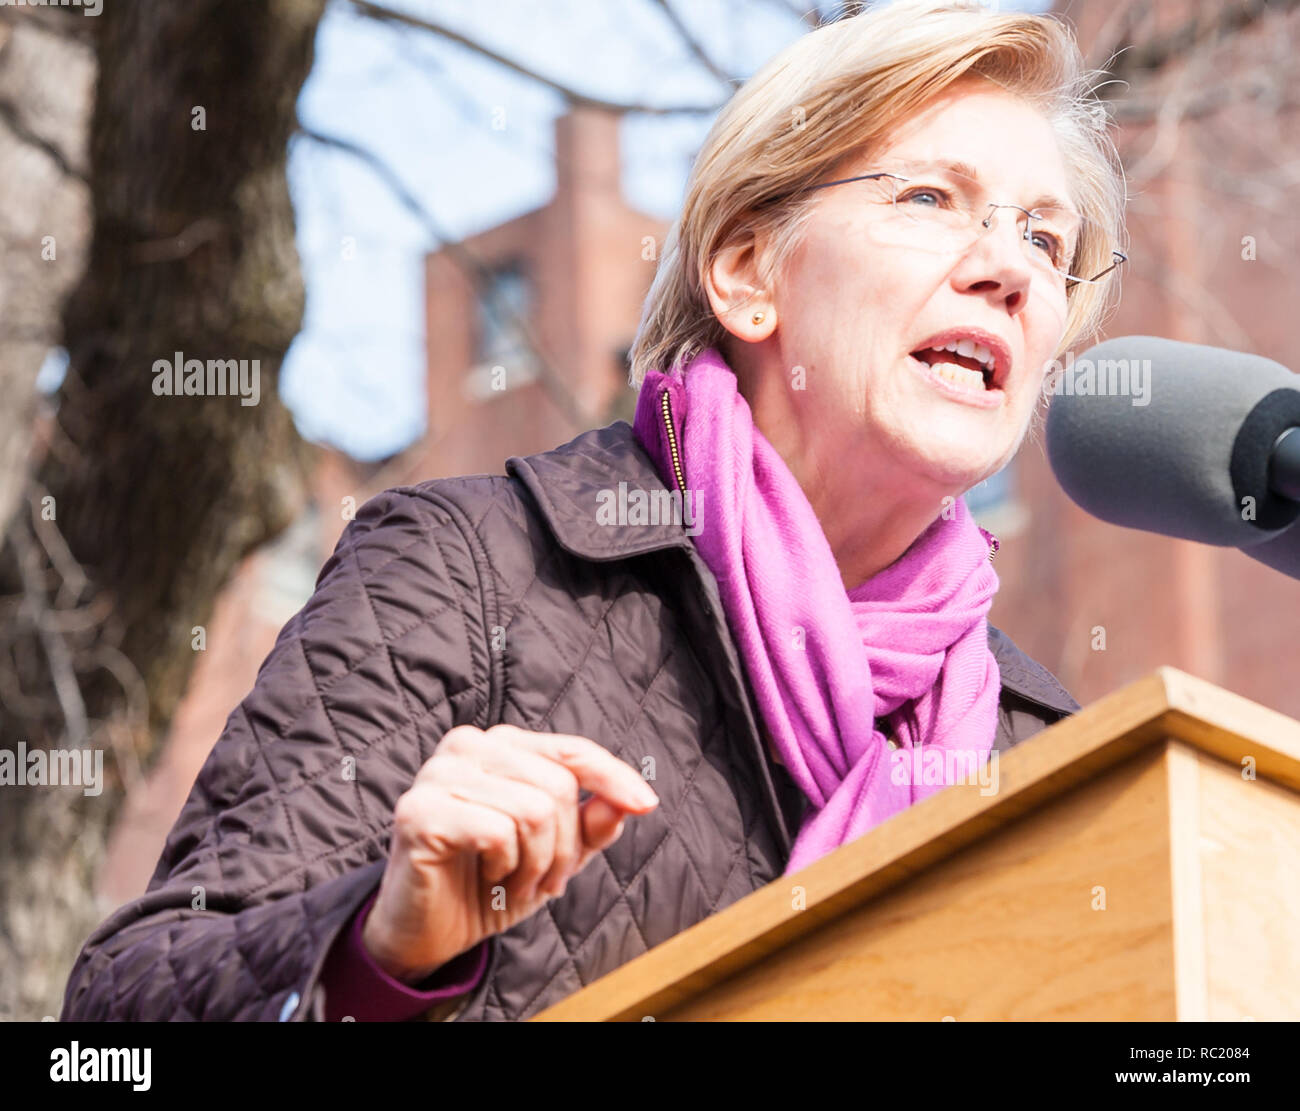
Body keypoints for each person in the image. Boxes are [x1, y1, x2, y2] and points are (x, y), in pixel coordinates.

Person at [61, 0, 1126, 1023]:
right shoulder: (470, 569)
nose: (1009, 272)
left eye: (1045, 239)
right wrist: (379, 956)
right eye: (931, 199)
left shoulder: (1041, 750)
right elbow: (118, 1020)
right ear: (749, 271)